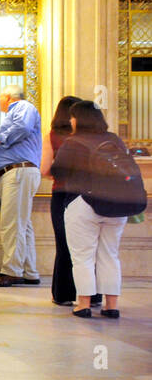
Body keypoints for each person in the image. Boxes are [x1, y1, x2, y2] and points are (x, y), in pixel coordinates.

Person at [51, 101, 138, 319]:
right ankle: (111, 305)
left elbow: (57, 171)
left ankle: (84, 304)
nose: (70, 121)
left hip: (84, 204)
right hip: (116, 205)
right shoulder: (115, 140)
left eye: (72, 117)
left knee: (83, 256)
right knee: (110, 255)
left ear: (78, 119)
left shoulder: (73, 142)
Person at [40, 96, 100, 311]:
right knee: (90, 246)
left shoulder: (53, 137)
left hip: (62, 194)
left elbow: (44, 170)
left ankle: (64, 293)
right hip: (90, 194)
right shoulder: (92, 136)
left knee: (64, 244)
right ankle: (92, 294)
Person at [0, 86, 43, 287]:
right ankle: (29, 270)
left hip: (18, 172)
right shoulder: (17, 111)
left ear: (8, 97)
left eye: (0, 96)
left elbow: (23, 127)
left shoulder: (23, 106)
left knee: (11, 223)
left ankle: (11, 271)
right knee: (23, 224)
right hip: (19, 172)